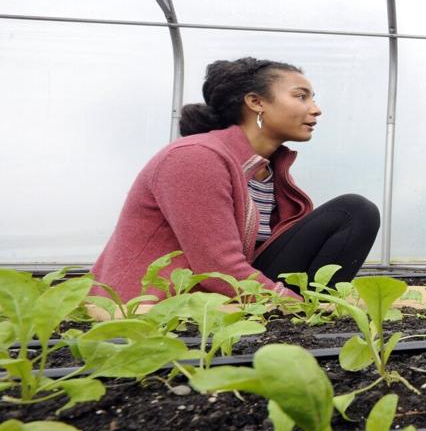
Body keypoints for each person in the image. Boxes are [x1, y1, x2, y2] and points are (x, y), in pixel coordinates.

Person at [91, 57, 379, 303]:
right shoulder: (195, 157)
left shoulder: (268, 169)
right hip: (159, 299)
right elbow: (218, 265)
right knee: (354, 209)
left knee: (354, 214)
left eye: (313, 98)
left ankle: (315, 309)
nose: (315, 109)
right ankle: (305, 312)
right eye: (301, 96)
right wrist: (293, 305)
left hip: (224, 290)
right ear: (255, 102)